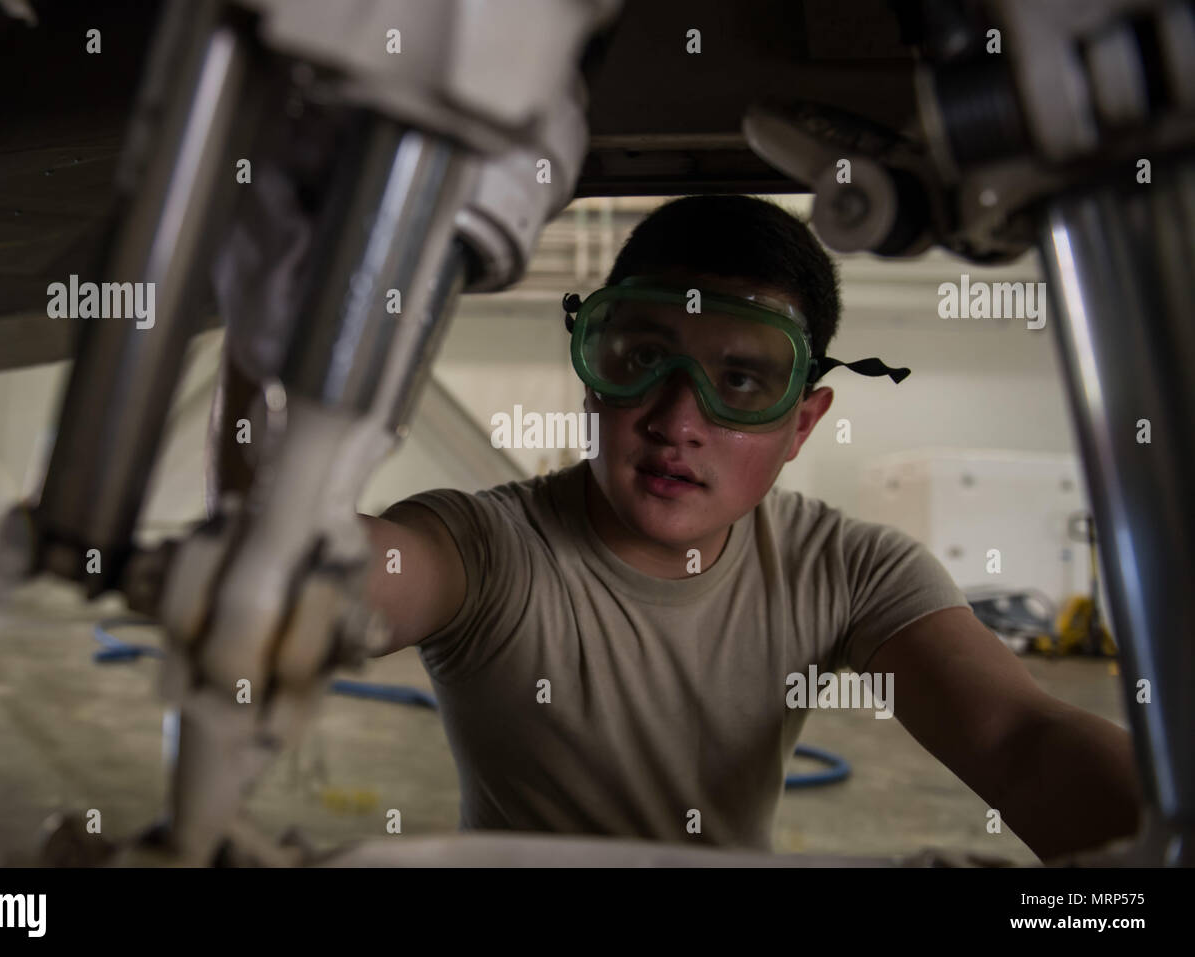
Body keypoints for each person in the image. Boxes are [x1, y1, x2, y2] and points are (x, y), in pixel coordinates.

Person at [360, 194, 1140, 860]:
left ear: (802, 424)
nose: (678, 420)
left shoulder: (846, 567)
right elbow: (330, 583)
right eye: (642, 359)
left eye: (740, 380)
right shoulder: (484, 545)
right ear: (592, 376)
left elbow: (1018, 740)